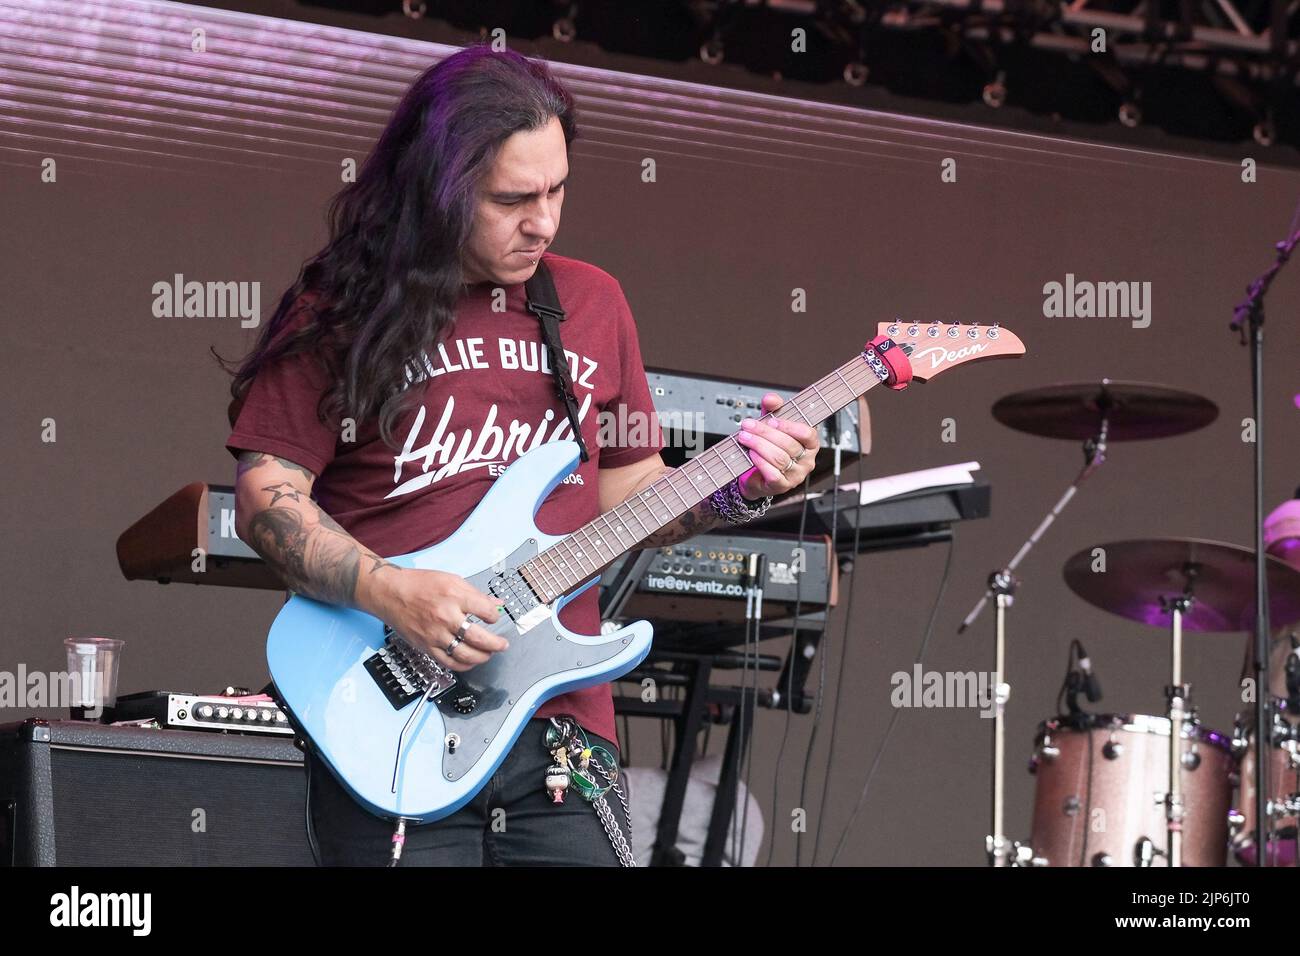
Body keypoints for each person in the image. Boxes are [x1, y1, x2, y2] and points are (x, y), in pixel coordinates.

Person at [223, 44, 820, 866]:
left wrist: (739, 486)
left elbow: (633, 497)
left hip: (559, 735)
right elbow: (265, 496)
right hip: (391, 717)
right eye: (511, 199)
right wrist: (393, 593)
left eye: (558, 189)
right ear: (435, 191)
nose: (544, 221)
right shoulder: (342, 305)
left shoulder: (593, 302)